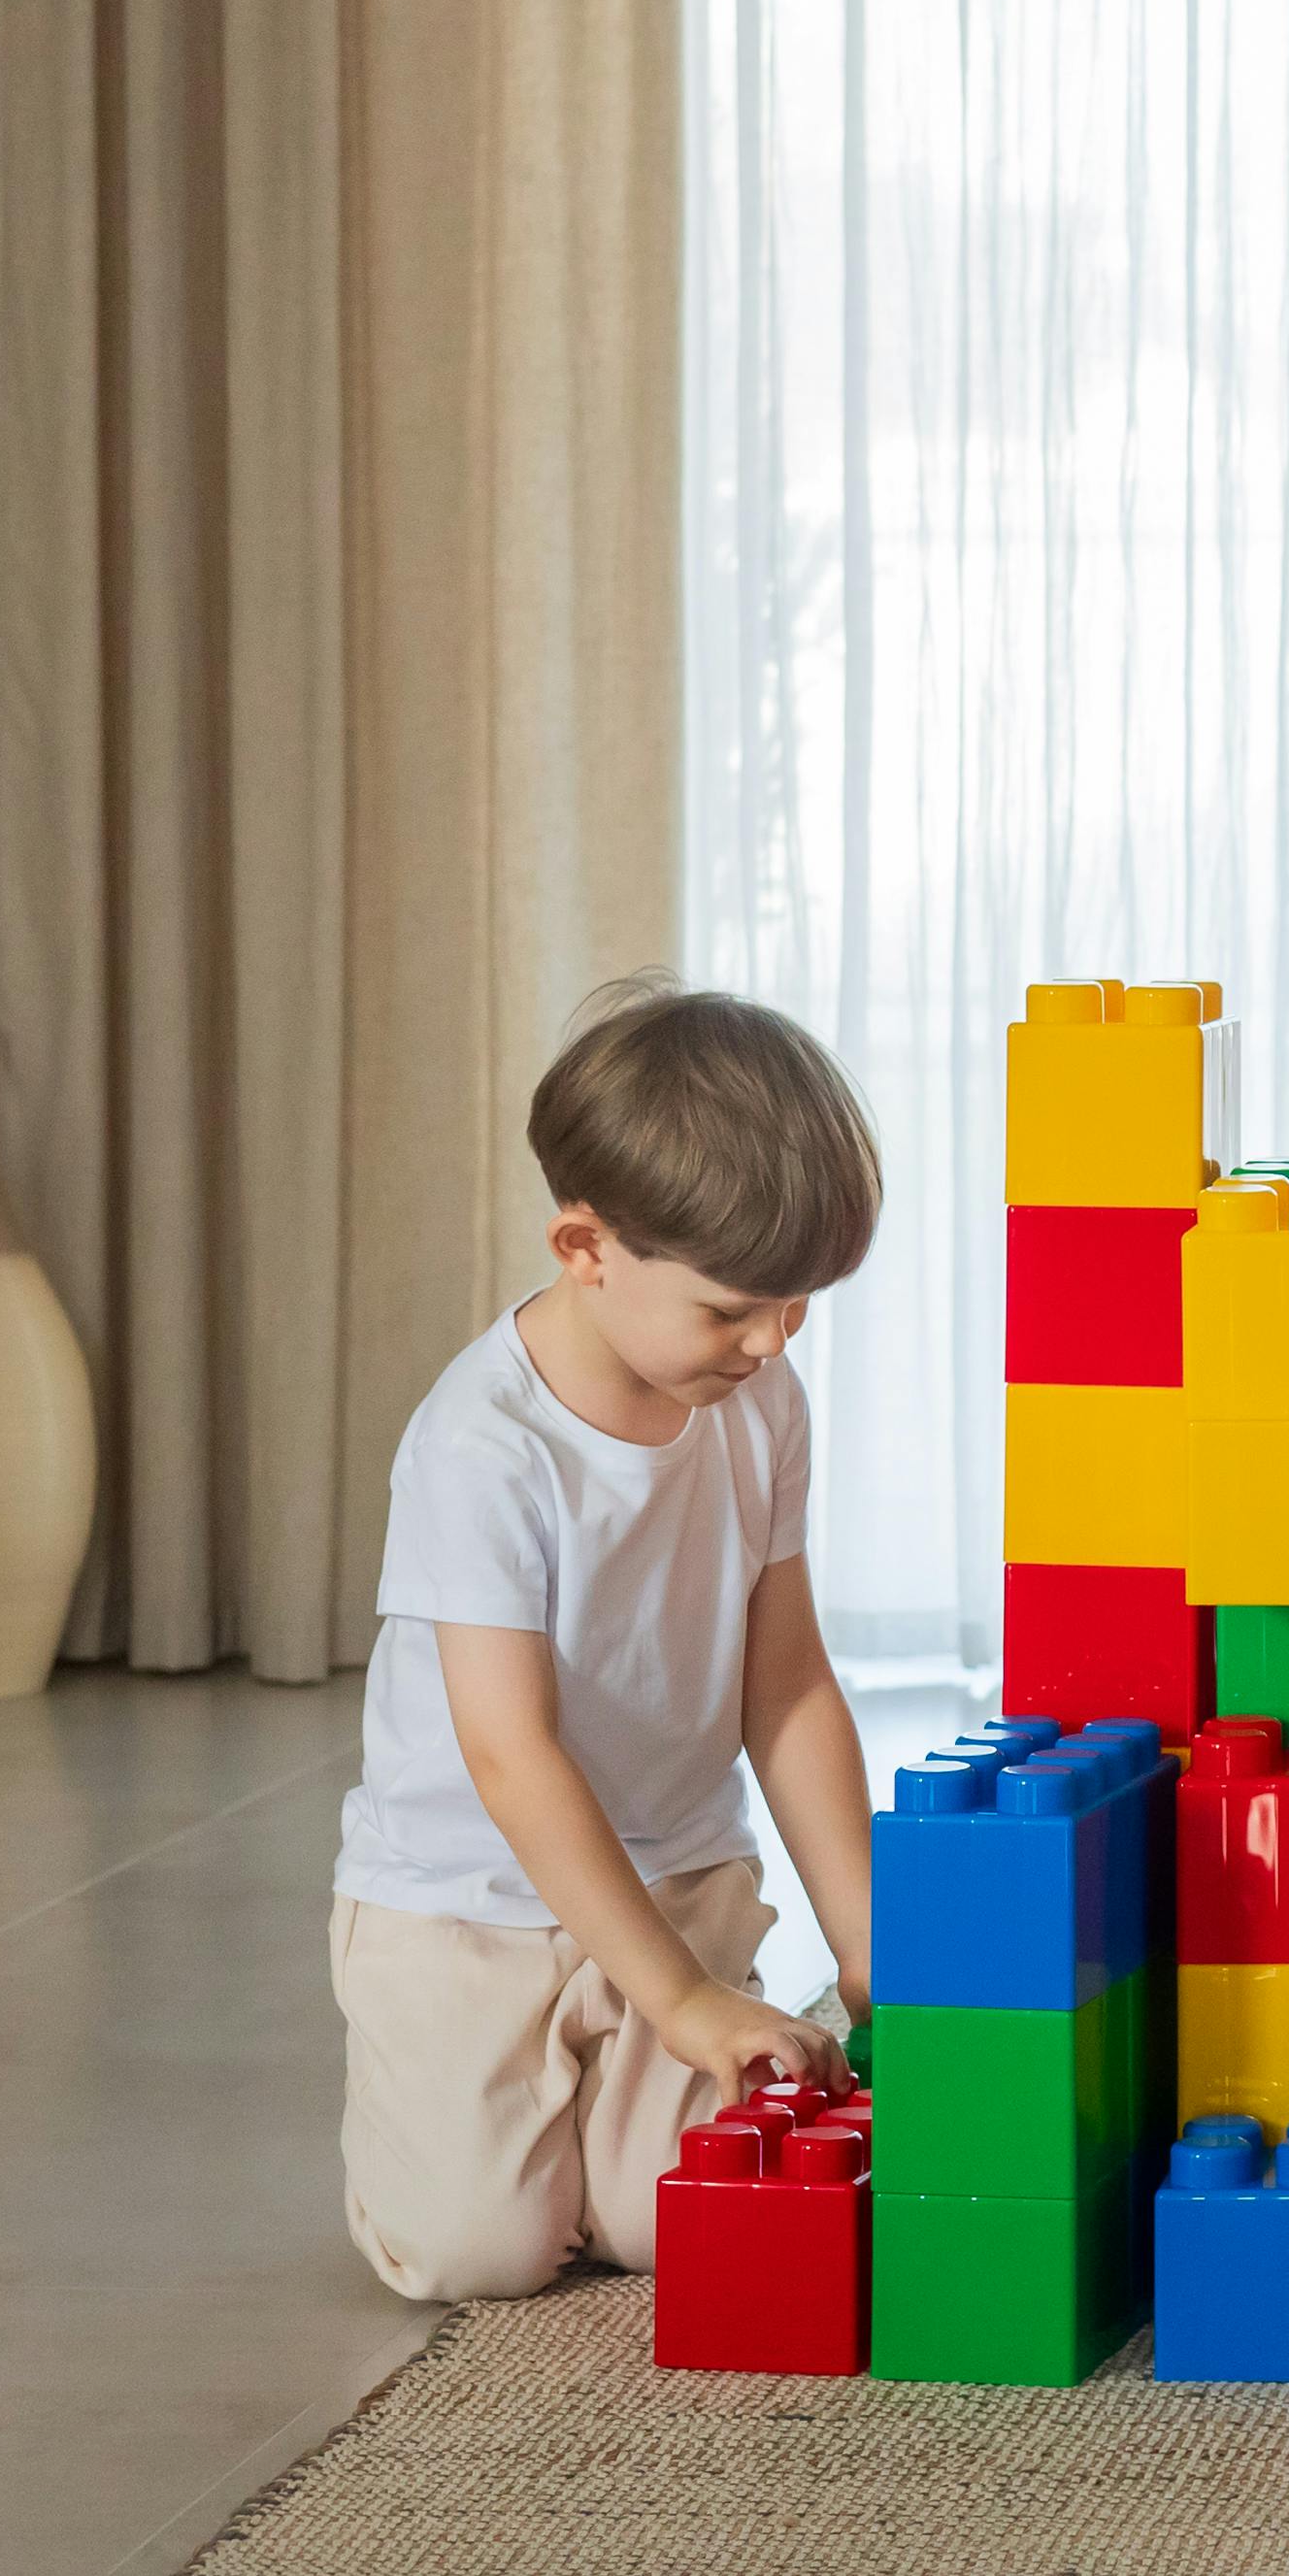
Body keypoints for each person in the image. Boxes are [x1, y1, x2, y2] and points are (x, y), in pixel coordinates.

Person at [328, 977, 882, 2301]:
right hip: (466, 1908)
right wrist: (684, 2009)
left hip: (675, 1878)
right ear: (585, 1247)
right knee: (480, 2251)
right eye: (735, 1307)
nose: (770, 1341)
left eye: (798, 1304)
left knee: (676, 2219)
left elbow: (788, 1681)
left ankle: (624, 2093)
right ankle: (457, 2105)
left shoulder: (760, 1406)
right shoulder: (483, 1444)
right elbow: (511, 1755)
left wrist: (871, 1946)